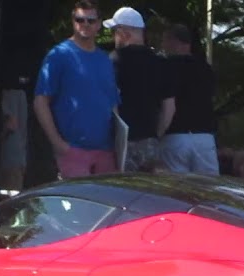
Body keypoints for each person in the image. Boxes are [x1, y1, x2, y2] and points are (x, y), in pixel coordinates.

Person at [33, 0, 119, 178]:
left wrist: (117, 144)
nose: (85, 24)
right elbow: (41, 100)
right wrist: (58, 143)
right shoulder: (59, 55)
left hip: (106, 152)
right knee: (80, 205)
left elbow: (113, 105)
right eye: (80, 20)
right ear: (73, 22)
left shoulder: (105, 59)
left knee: (107, 205)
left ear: (99, 25)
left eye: (91, 20)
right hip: (73, 151)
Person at [105, 6, 173, 172]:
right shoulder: (160, 63)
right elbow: (170, 107)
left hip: (124, 141)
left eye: (115, 31)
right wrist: (156, 134)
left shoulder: (114, 60)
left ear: (125, 33)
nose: (114, 36)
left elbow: (111, 102)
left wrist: (118, 136)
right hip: (150, 140)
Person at [158, 23, 219, 175]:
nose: (163, 45)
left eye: (165, 40)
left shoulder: (165, 67)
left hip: (175, 135)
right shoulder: (205, 68)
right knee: (209, 189)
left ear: (174, 41)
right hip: (204, 136)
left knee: (177, 191)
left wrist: (158, 132)